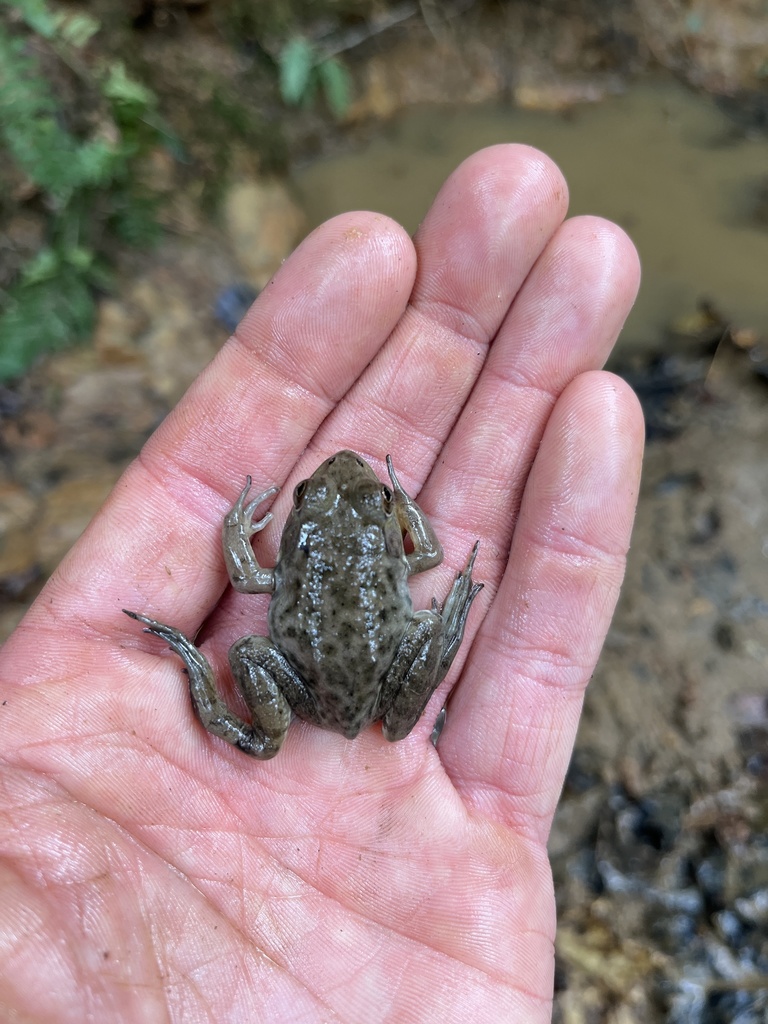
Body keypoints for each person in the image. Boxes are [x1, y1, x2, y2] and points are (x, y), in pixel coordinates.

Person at [0, 144, 643, 1022]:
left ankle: (246, 719)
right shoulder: (400, 547)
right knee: (423, 623)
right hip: (377, 687)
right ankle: (357, 670)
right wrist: (416, 533)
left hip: (306, 684)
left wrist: (239, 528)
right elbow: (418, 554)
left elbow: (243, 568)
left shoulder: (285, 556)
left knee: (269, 648)